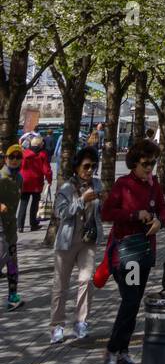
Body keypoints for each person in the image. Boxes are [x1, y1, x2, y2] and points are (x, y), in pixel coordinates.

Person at [100, 138, 165, 364]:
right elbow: (107, 212)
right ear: (134, 163)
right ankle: (113, 351)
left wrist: (160, 221)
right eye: (144, 163)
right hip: (126, 253)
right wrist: (133, 214)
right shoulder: (123, 184)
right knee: (130, 302)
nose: (149, 168)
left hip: (145, 252)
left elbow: (163, 208)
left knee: (133, 303)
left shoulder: (153, 185)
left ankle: (122, 352)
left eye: (152, 163)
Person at [50, 146, 103, 343]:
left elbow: (101, 212)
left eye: (93, 167)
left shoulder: (97, 185)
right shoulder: (66, 188)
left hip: (88, 241)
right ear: (77, 167)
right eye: (86, 166)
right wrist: (81, 200)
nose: (90, 171)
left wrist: (102, 202)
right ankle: (57, 325)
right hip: (67, 242)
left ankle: (81, 322)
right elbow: (60, 214)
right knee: (60, 286)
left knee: (86, 281)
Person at [0, 145, 25, 309]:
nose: (15, 160)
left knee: (12, 262)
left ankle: (12, 296)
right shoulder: (0, 177)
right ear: (6, 158)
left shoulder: (19, 178)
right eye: (12, 156)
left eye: (18, 157)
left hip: (11, 227)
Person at [18, 135, 52, 232]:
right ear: (40, 144)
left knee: (23, 203)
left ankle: (20, 225)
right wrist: (49, 180)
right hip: (36, 182)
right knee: (35, 203)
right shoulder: (42, 154)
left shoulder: (24, 153)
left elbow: (20, 167)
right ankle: (33, 224)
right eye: (42, 143)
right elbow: (46, 169)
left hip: (24, 181)